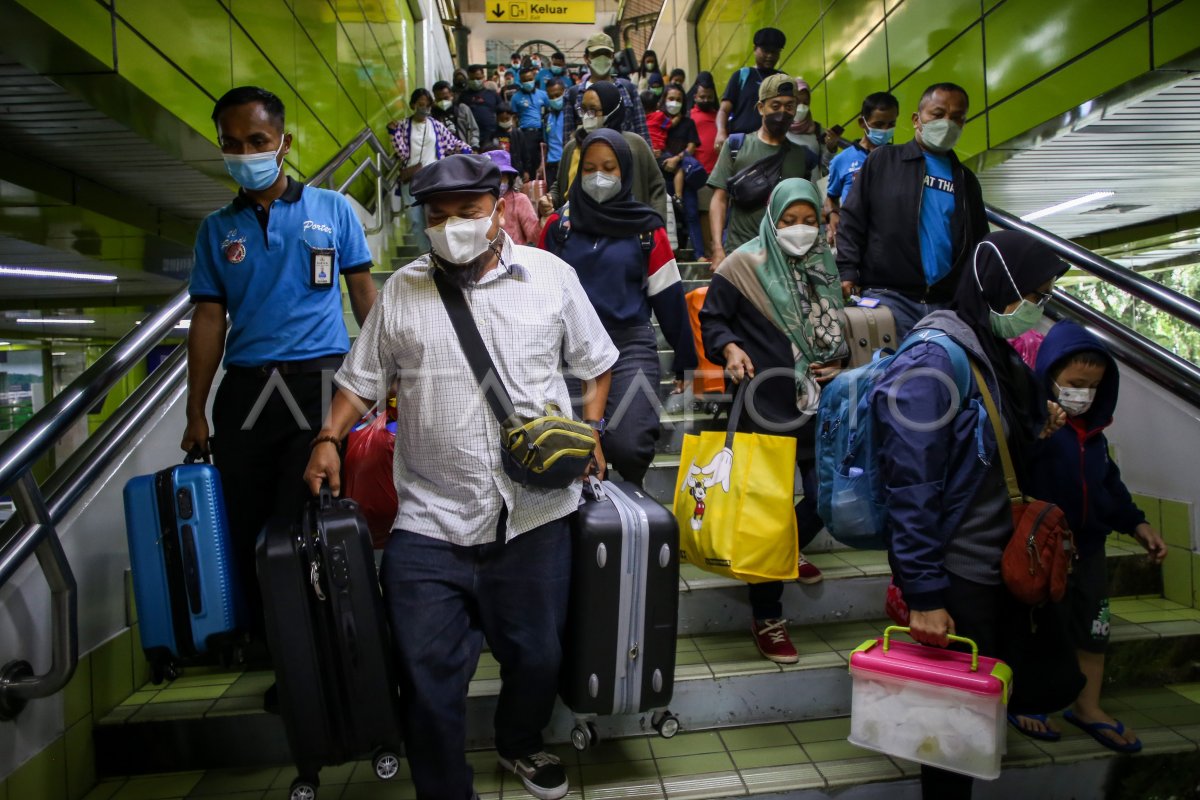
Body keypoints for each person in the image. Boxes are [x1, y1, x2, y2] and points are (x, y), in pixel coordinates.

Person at [304, 154, 617, 800]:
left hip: (534, 515)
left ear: (499, 209)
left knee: (537, 657)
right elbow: (360, 380)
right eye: (437, 216)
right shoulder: (402, 294)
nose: (451, 227)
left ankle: (520, 741)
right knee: (425, 678)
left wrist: (591, 429)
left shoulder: (551, 279)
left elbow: (597, 360)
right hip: (428, 522)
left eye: (467, 213)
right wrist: (329, 437)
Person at [873, 230, 1068, 799]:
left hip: (991, 568)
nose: (1036, 308)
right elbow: (910, 482)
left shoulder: (988, 349)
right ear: (996, 289)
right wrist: (926, 594)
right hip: (958, 578)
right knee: (950, 747)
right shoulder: (934, 358)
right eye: (1031, 294)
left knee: (968, 729)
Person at [181, 85, 378, 642]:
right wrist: (197, 410)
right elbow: (208, 322)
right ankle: (274, 646)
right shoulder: (216, 231)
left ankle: (318, 644)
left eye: (257, 140)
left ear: (284, 142)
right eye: (232, 143)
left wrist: (392, 371)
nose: (245, 153)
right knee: (247, 522)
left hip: (319, 385)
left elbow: (365, 296)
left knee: (306, 518)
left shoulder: (333, 210)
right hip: (245, 392)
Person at [700, 179, 848, 660]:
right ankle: (767, 617)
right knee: (766, 516)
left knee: (827, 497)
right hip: (765, 405)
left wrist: (838, 361)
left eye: (809, 221)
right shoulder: (742, 266)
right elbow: (713, 320)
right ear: (771, 218)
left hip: (819, 405)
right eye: (789, 221)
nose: (800, 230)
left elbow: (836, 333)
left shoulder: (824, 266)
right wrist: (730, 346)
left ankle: (788, 546)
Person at [1023, 320, 1168, 751]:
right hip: (1042, 550)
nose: (1083, 392)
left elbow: (1110, 486)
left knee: (1094, 627)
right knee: (1043, 626)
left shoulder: (1096, 437)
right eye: (1074, 383)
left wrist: (1138, 524)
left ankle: (1087, 705)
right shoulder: (1035, 424)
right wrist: (1037, 433)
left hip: (1090, 548)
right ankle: (1030, 698)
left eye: (1093, 385)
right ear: (1050, 377)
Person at [540, 129, 696, 486]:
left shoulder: (647, 230)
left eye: (609, 167)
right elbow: (539, 294)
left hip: (628, 346)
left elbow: (670, 299)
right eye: (590, 167)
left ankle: (625, 509)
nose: (599, 176)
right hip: (570, 351)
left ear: (624, 171)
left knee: (630, 444)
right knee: (573, 448)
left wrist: (686, 360)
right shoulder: (557, 227)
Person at [836, 82, 988, 341]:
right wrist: (847, 270)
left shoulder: (965, 180)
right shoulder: (883, 161)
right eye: (938, 115)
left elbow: (978, 242)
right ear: (917, 119)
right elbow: (853, 218)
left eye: (957, 117)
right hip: (889, 297)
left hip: (946, 305)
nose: (947, 123)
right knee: (890, 376)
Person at [707, 74, 814, 270]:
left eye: (789, 106)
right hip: (741, 253)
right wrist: (717, 248)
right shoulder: (736, 146)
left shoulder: (800, 156)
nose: (783, 112)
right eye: (775, 106)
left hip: (784, 259)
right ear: (761, 108)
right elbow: (719, 198)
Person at [544, 81, 668, 224]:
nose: (586, 116)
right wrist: (550, 199)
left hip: (627, 227)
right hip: (579, 230)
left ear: (612, 110)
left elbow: (656, 186)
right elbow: (560, 187)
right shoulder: (573, 147)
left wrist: (656, 224)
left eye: (593, 110)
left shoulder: (634, 145)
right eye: (583, 110)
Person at [390, 88, 473, 252]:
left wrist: (468, 151)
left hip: (434, 179)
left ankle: (439, 252)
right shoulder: (404, 126)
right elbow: (403, 153)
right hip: (412, 179)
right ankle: (425, 254)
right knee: (415, 220)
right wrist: (394, 133)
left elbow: (452, 142)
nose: (425, 108)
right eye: (421, 104)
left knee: (435, 217)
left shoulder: (436, 125)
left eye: (428, 105)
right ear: (413, 105)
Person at [825, 91, 899, 245]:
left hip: (892, 240)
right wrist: (833, 214)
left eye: (891, 124)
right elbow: (831, 197)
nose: (885, 130)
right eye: (878, 124)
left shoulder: (899, 158)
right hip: (855, 241)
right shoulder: (842, 160)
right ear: (862, 123)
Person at [561, 33, 651, 145]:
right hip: (588, 157)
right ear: (586, 58)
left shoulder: (628, 89)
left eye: (606, 54)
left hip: (625, 156)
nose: (602, 58)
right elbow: (568, 139)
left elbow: (642, 131)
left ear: (612, 57)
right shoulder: (573, 94)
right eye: (596, 54)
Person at [649, 84, 706, 259]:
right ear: (664, 100)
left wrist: (677, 159)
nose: (675, 103)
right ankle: (666, 257)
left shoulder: (688, 123)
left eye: (679, 100)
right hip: (662, 177)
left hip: (684, 175)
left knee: (690, 214)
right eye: (671, 99)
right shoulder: (657, 120)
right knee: (664, 217)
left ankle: (699, 254)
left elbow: (692, 146)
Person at [716, 27, 785, 150]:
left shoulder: (783, 79)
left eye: (775, 52)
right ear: (755, 49)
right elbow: (724, 110)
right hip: (742, 142)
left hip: (773, 143)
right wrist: (721, 132)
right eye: (765, 51)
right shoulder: (742, 75)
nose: (770, 56)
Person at [484, 149, 541, 245]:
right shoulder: (481, 202)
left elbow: (534, 235)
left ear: (509, 177)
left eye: (501, 177)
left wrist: (543, 222)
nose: (497, 182)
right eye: (491, 177)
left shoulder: (520, 200)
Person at [785, 77, 840, 174]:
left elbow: (825, 167)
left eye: (805, 103)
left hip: (811, 186)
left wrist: (830, 149)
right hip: (785, 187)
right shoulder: (778, 128)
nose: (801, 107)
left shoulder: (817, 129)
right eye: (797, 102)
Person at [511, 63, 549, 181]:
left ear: (534, 78)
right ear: (520, 81)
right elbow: (513, 118)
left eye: (530, 79)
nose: (528, 82)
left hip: (542, 132)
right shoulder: (516, 97)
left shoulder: (543, 95)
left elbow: (549, 111)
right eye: (525, 80)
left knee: (543, 162)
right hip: (526, 134)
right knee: (530, 162)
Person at [432, 80, 480, 150]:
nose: (443, 102)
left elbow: (473, 129)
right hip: (442, 152)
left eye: (446, 98)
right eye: (439, 99)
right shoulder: (433, 114)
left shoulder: (462, 109)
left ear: (451, 95)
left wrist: (474, 146)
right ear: (435, 98)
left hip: (463, 150)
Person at [461, 64, 502, 147]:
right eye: (472, 79)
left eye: (478, 78)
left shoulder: (493, 95)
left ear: (484, 77)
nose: (475, 81)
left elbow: (501, 113)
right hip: (470, 138)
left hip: (490, 136)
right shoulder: (463, 96)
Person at [689, 72, 720, 173]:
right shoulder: (688, 116)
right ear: (695, 97)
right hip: (697, 173)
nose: (706, 100)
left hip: (719, 173)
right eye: (702, 97)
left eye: (710, 97)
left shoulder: (720, 117)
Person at [543, 78, 567, 187]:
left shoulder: (570, 115)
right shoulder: (548, 118)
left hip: (566, 162)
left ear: (564, 92)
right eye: (551, 97)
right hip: (551, 165)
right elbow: (546, 143)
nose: (555, 99)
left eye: (557, 95)